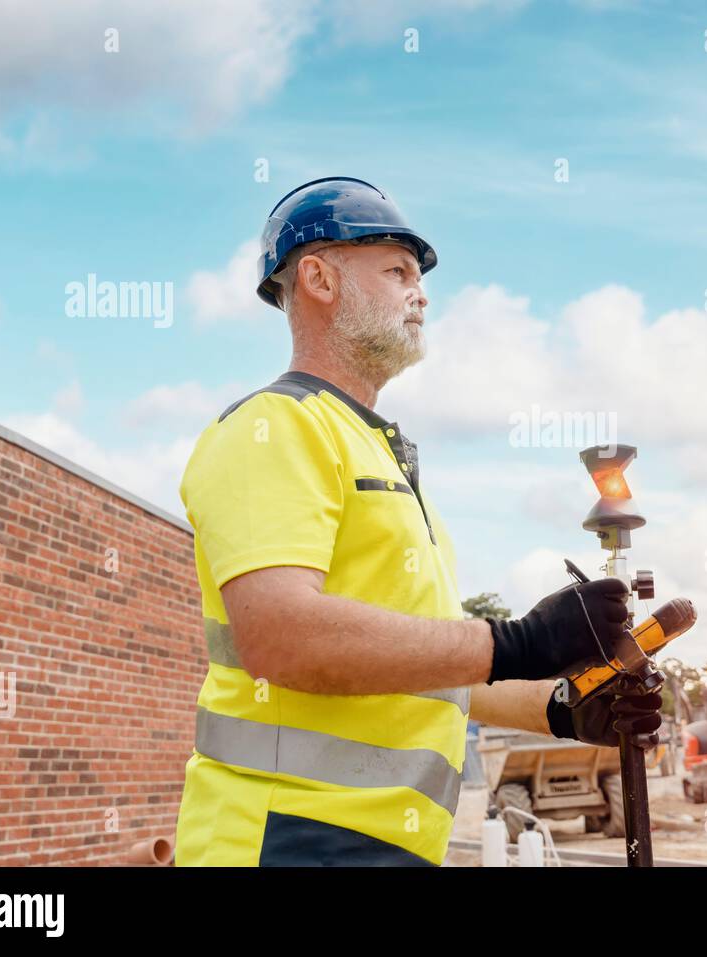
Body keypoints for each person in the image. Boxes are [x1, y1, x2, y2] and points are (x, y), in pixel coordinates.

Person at [173, 177, 662, 866]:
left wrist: (565, 704)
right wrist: (520, 640)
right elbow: (279, 635)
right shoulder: (272, 426)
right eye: (398, 269)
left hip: (375, 847)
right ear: (317, 277)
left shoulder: (380, 452)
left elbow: (433, 671)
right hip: (285, 837)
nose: (421, 292)